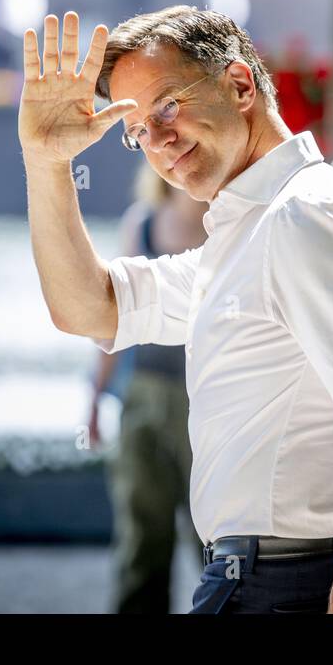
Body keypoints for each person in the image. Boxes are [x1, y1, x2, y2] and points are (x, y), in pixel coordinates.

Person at [17, 6, 333, 614]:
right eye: (138, 129)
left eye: (166, 105)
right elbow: (91, 308)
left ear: (241, 85)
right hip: (276, 578)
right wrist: (46, 163)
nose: (157, 139)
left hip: (309, 583)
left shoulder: (304, 217)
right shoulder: (258, 228)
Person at [89, 166, 207, 613]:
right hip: (141, 397)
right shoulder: (140, 223)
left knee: (214, 536)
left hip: (208, 401)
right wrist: (94, 399)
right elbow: (111, 320)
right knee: (141, 532)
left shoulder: (228, 223)